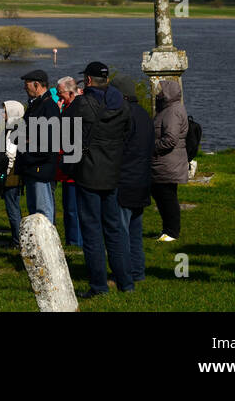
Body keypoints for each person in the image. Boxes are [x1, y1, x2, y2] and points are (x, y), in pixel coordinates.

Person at [68, 62, 134, 297]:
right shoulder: (122, 105)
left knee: (92, 231)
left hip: (88, 173)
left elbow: (65, 135)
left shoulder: (81, 104)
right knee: (114, 230)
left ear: (87, 80)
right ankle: (126, 283)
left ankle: (99, 285)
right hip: (112, 172)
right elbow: (128, 133)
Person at [114, 78, 152, 288]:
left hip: (125, 180)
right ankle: (138, 271)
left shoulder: (124, 115)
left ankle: (125, 274)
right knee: (135, 230)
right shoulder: (145, 115)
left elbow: (119, 147)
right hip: (142, 180)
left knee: (122, 231)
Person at [18, 69, 60, 227]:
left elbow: (48, 141)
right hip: (32, 166)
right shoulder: (36, 105)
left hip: (41, 167)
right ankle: (37, 245)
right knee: (34, 211)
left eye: (26, 84)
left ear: (36, 85)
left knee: (43, 212)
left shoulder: (48, 107)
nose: (24, 87)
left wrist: (26, 145)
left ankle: (47, 248)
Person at [151, 77, 188, 242]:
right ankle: (167, 229)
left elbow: (171, 138)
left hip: (167, 161)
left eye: (161, 90)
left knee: (167, 197)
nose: (158, 93)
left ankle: (172, 232)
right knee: (162, 195)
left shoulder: (172, 112)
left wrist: (151, 147)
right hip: (165, 162)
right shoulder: (168, 110)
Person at [55, 76, 83, 247]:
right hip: (67, 165)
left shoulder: (77, 109)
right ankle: (72, 239)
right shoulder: (67, 107)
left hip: (74, 167)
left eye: (61, 93)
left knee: (74, 209)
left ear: (71, 93)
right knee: (68, 207)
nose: (59, 96)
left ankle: (75, 242)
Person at [0, 99, 26, 248]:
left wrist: (4, 174)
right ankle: (19, 238)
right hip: (15, 174)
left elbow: (10, 154)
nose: (2, 114)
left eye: (5, 111)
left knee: (12, 208)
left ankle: (17, 241)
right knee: (14, 206)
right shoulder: (17, 128)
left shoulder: (13, 130)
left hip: (11, 175)